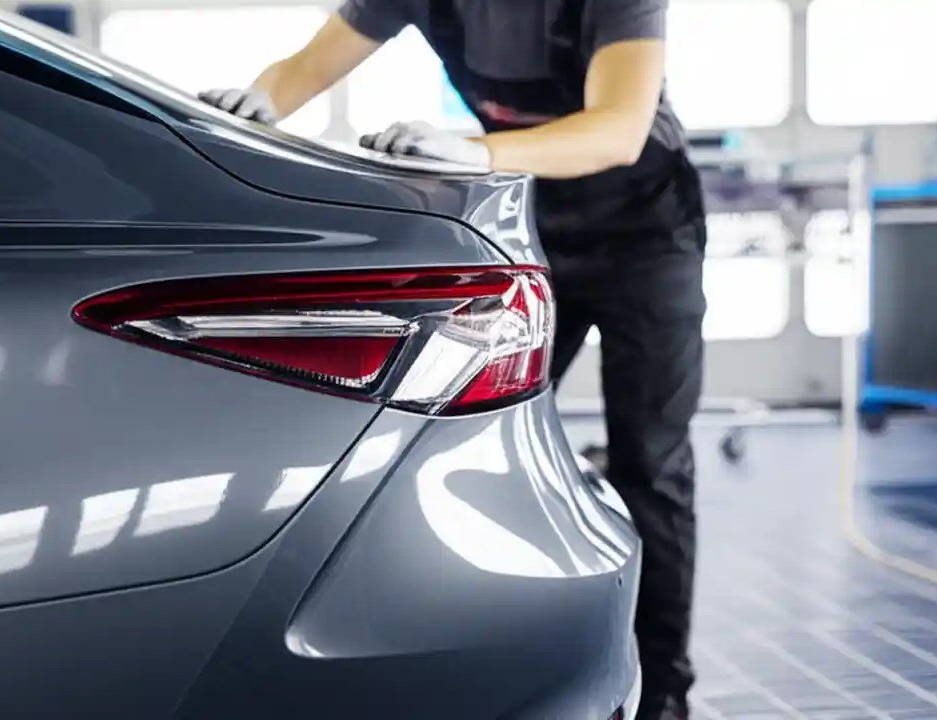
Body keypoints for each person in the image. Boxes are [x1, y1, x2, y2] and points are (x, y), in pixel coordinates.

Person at [199, 2, 705, 718]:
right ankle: (513, 674)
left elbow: (619, 130)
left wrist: (477, 149)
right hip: (535, 226)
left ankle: (664, 694)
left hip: (649, 233)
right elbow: (305, 69)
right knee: (472, 443)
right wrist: (256, 104)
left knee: (651, 464)